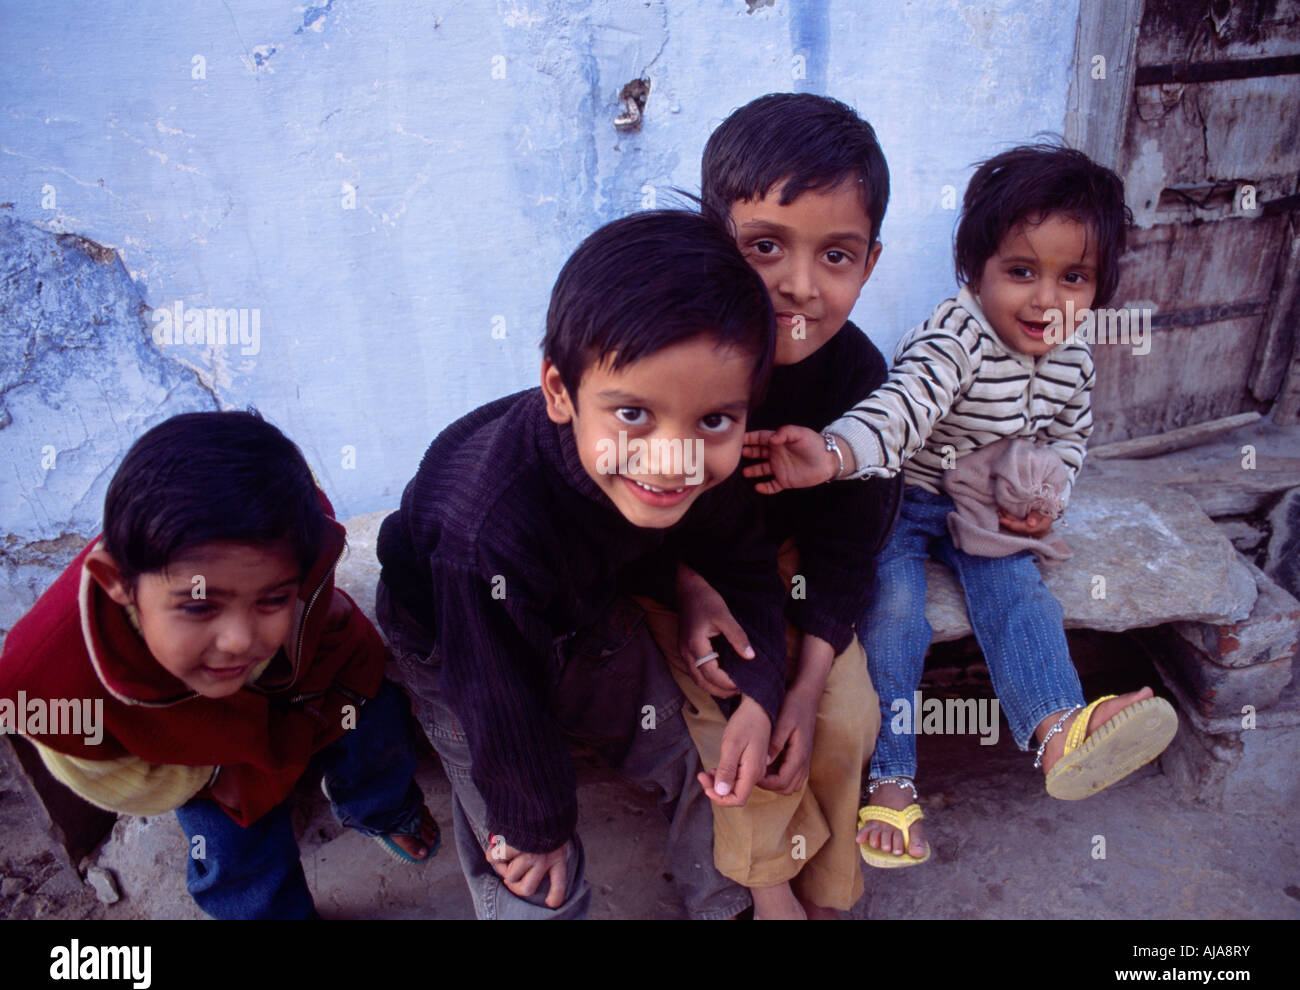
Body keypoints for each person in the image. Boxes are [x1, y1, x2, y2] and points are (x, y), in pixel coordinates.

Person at [743, 142, 1177, 867]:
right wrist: (835, 452)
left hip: (987, 506)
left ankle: (1059, 729)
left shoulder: (1075, 355)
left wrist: (1048, 500)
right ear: (975, 271)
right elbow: (903, 408)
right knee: (894, 614)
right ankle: (892, 779)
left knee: (1021, 595)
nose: (1046, 301)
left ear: (1100, 287)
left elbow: (1069, 437)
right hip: (904, 494)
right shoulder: (956, 338)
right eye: (1021, 272)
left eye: (1073, 278)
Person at [375, 209, 789, 919]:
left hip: (591, 605)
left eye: (714, 420)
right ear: (560, 392)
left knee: (701, 757)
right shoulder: (485, 530)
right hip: (456, 637)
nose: (672, 459)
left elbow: (745, 559)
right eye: (632, 415)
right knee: (528, 857)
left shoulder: (691, 463)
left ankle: (729, 907)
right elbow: (495, 696)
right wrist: (538, 824)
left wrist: (760, 691)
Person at [0, 410, 439, 918]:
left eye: (271, 599)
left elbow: (315, 604)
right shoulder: (45, 684)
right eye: (200, 606)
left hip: (305, 683)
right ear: (117, 582)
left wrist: (307, 630)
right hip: (197, 756)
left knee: (372, 717)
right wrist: (210, 776)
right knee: (235, 850)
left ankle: (381, 808)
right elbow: (114, 778)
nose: (239, 641)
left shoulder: (301, 531)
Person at [638, 92, 900, 919]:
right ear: (713, 240)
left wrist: (805, 684)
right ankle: (770, 886)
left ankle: (830, 890)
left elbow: (851, 545)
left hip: (793, 570)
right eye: (764, 246)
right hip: (682, 567)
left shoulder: (861, 381)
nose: (799, 286)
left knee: (848, 713)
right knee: (727, 708)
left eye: (837, 255)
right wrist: (684, 583)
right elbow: (623, 498)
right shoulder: (673, 355)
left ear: (870, 263)